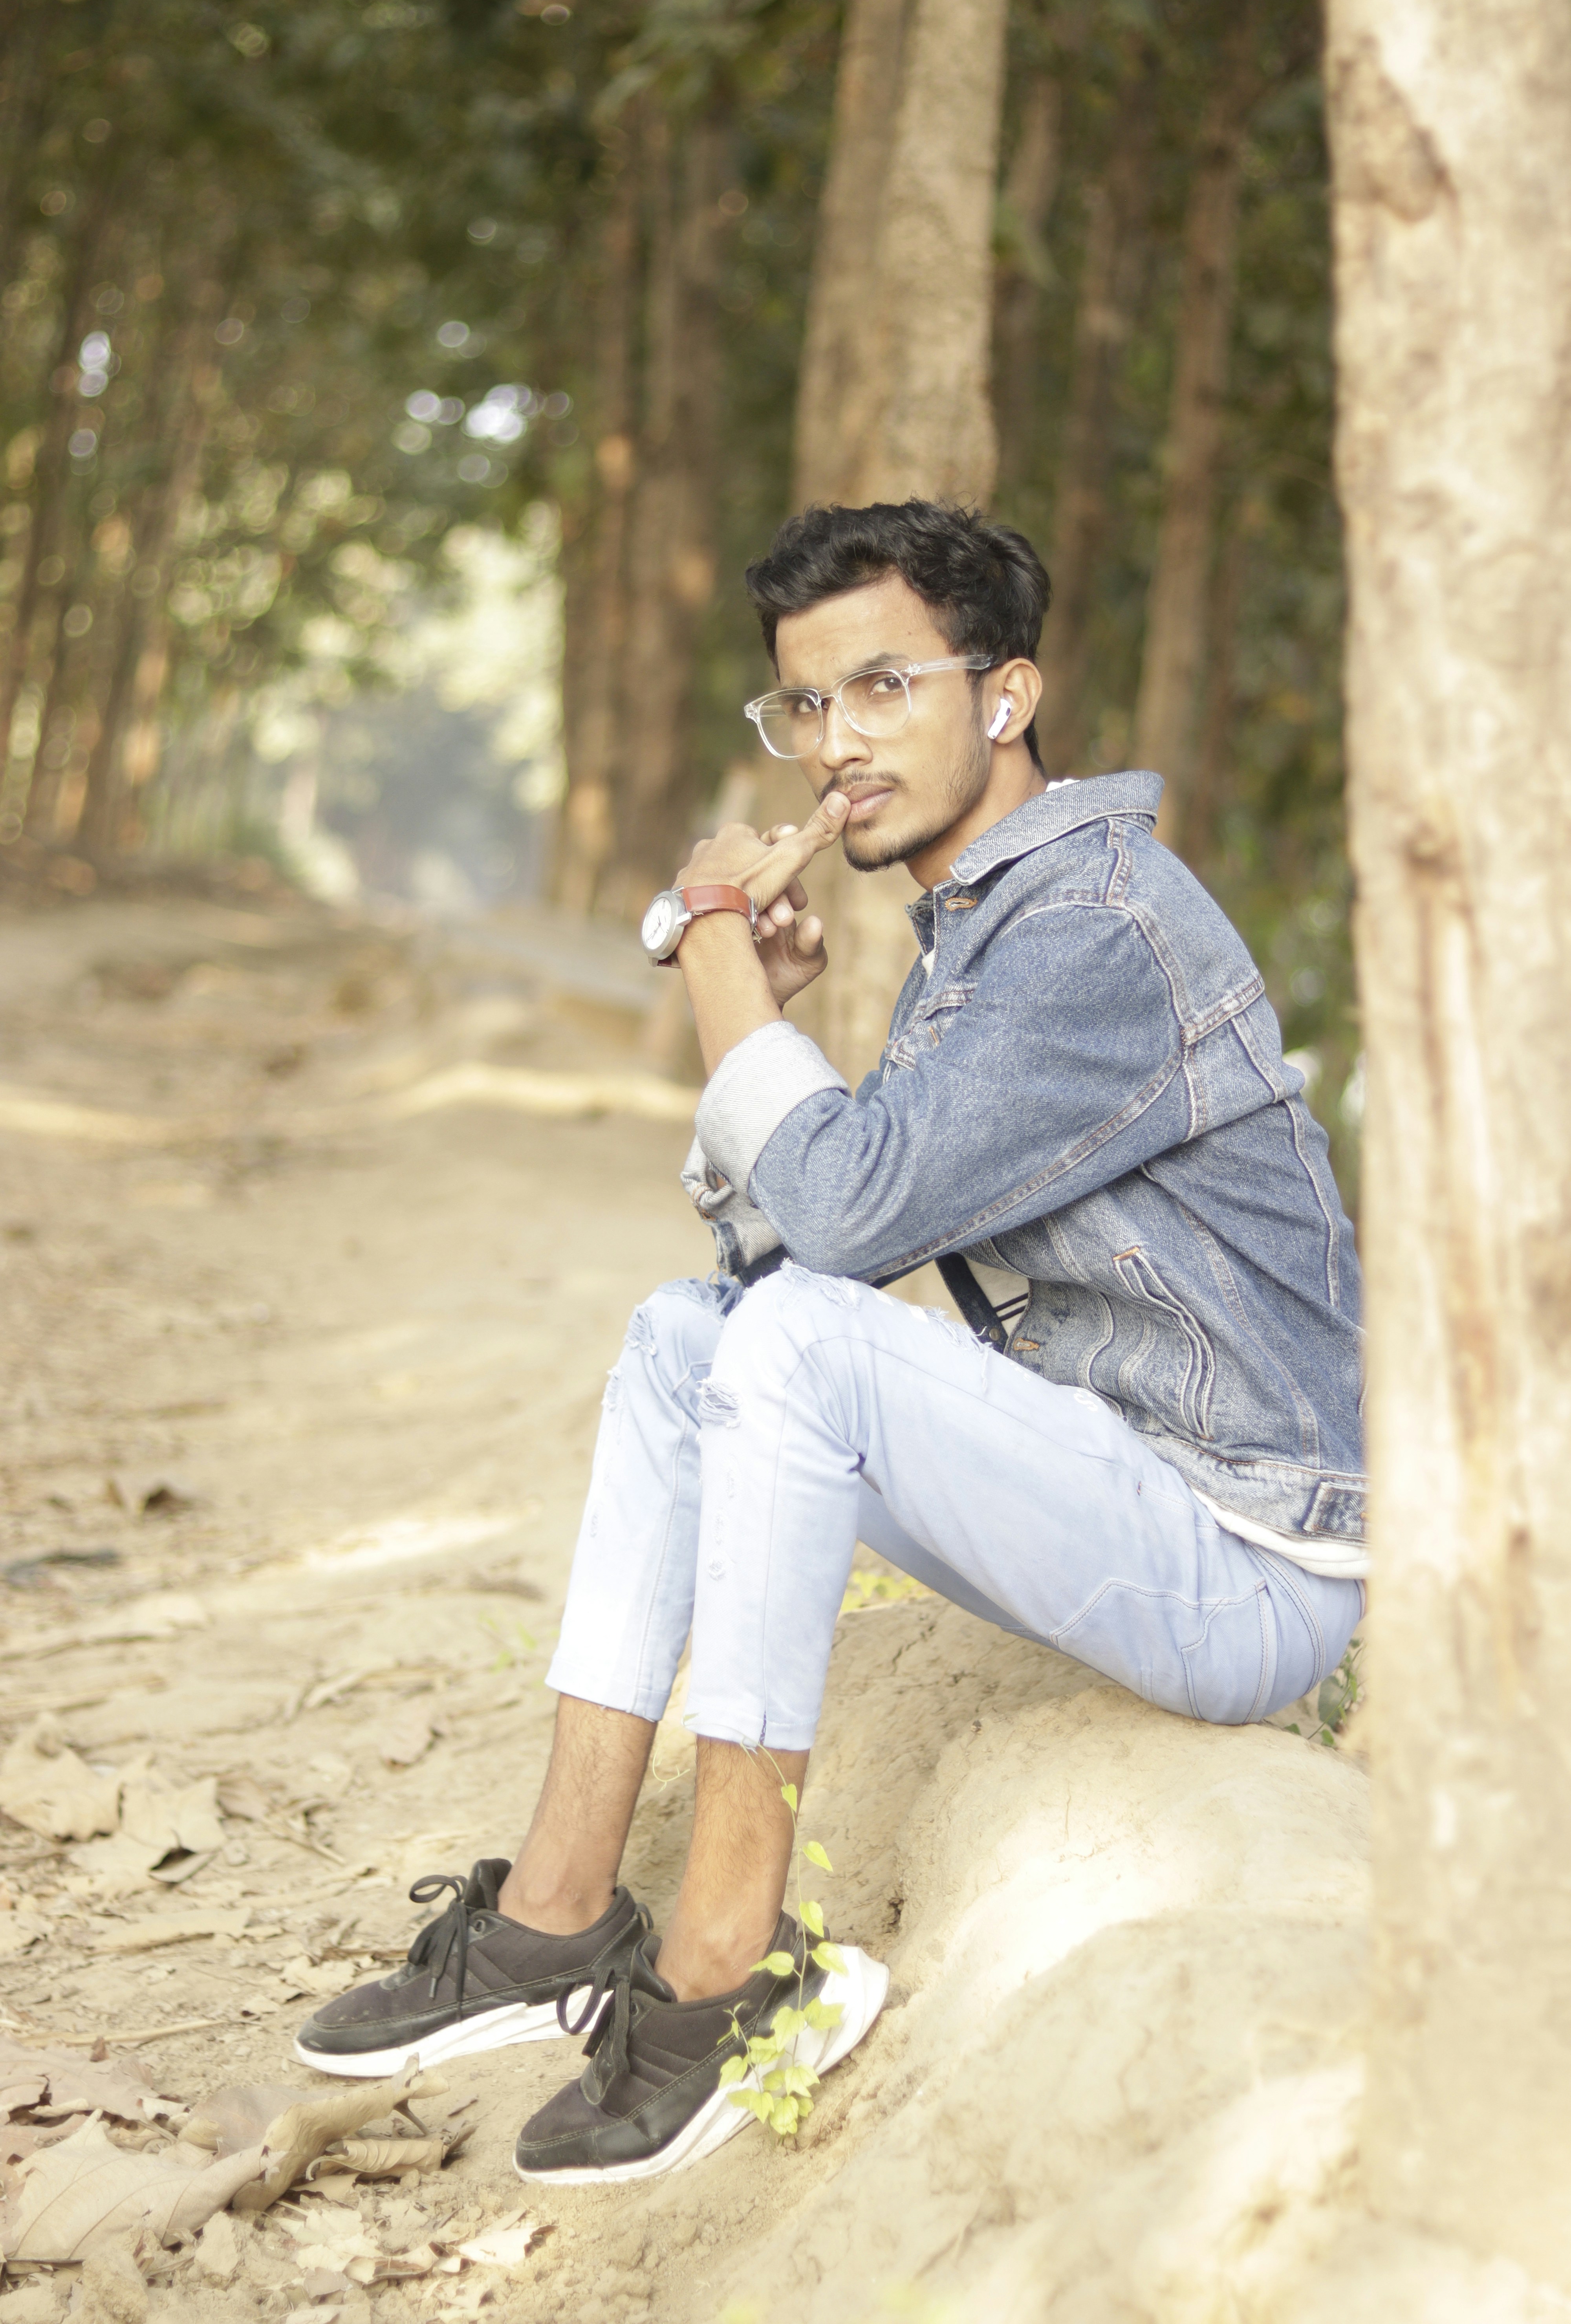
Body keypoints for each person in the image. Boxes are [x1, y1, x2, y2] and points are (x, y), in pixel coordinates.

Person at [291, 500, 1367, 2186]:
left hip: (1243, 1565)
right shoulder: (980, 925)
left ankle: (729, 1973)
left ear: (1004, 699)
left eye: (881, 690)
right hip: (1108, 1496)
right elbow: (791, 1238)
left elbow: (845, 1240)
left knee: (783, 1337)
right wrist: (764, 1030)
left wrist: (714, 945)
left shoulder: (1099, 925)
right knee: (677, 1334)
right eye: (806, 707)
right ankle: (554, 1919)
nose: (835, 746)